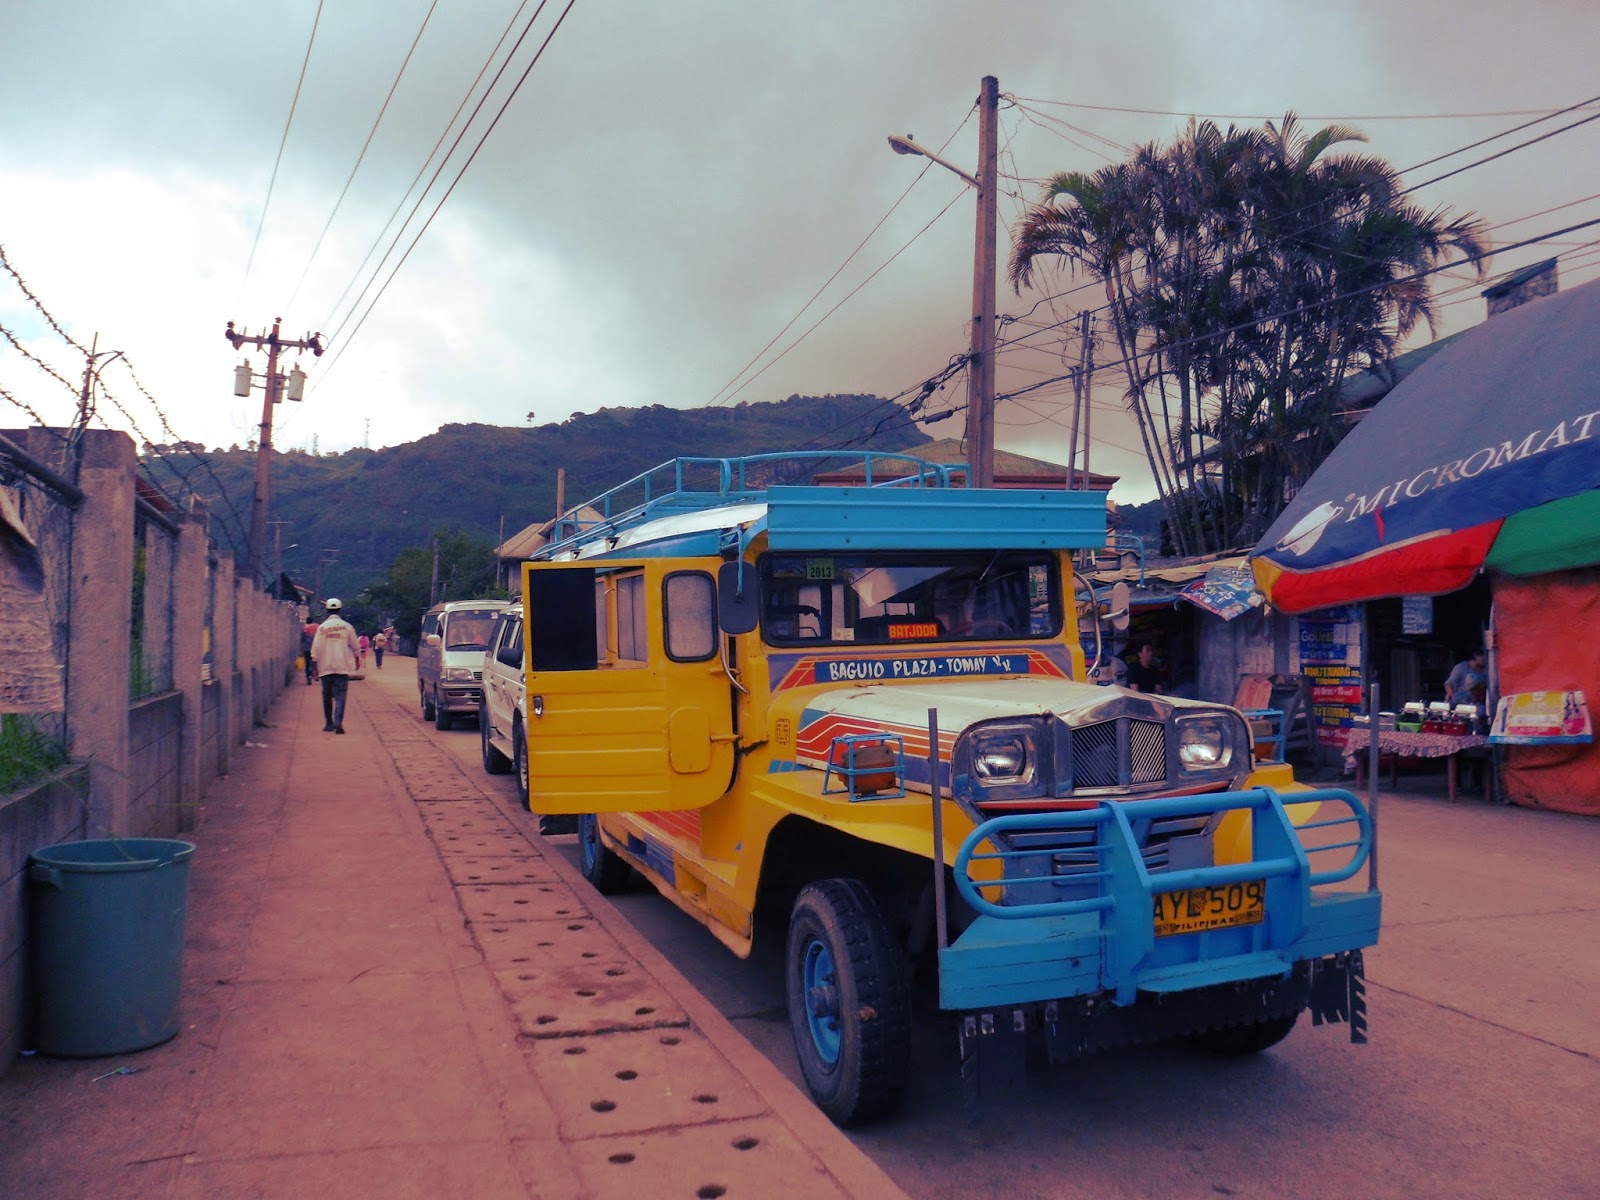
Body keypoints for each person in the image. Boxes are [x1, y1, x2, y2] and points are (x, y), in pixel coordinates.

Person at [311, 598, 359, 734]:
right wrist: (357, 659)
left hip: (325, 667)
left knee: (326, 696)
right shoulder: (347, 626)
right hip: (341, 666)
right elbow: (355, 646)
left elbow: (315, 648)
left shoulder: (322, 628)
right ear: (340, 610)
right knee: (340, 695)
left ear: (327, 611)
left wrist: (314, 667)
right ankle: (338, 722)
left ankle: (329, 723)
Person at [301, 620, 319, 685]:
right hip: (315, 648)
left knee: (307, 663)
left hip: (306, 649)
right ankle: (316, 675)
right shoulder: (317, 627)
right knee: (315, 662)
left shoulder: (304, 629)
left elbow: (302, 640)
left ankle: (308, 676)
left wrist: (301, 649)